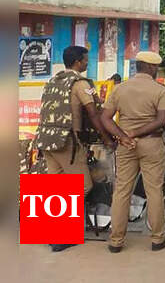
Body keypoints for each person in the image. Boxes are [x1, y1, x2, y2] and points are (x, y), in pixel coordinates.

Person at [34, 45, 114, 252]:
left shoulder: (53, 81)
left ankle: (52, 233)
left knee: (57, 186)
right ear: (78, 61)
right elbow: (94, 114)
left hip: (46, 140)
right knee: (83, 186)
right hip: (67, 142)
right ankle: (63, 235)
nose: (88, 63)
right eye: (86, 60)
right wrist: (106, 138)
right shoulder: (80, 84)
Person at [99, 51, 165, 253]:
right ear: (150, 67)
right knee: (154, 191)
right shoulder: (159, 90)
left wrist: (123, 136)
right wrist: (134, 133)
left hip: (125, 146)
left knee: (122, 191)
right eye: (155, 67)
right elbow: (161, 120)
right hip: (152, 144)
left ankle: (116, 241)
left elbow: (105, 118)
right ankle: (157, 239)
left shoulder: (120, 89)